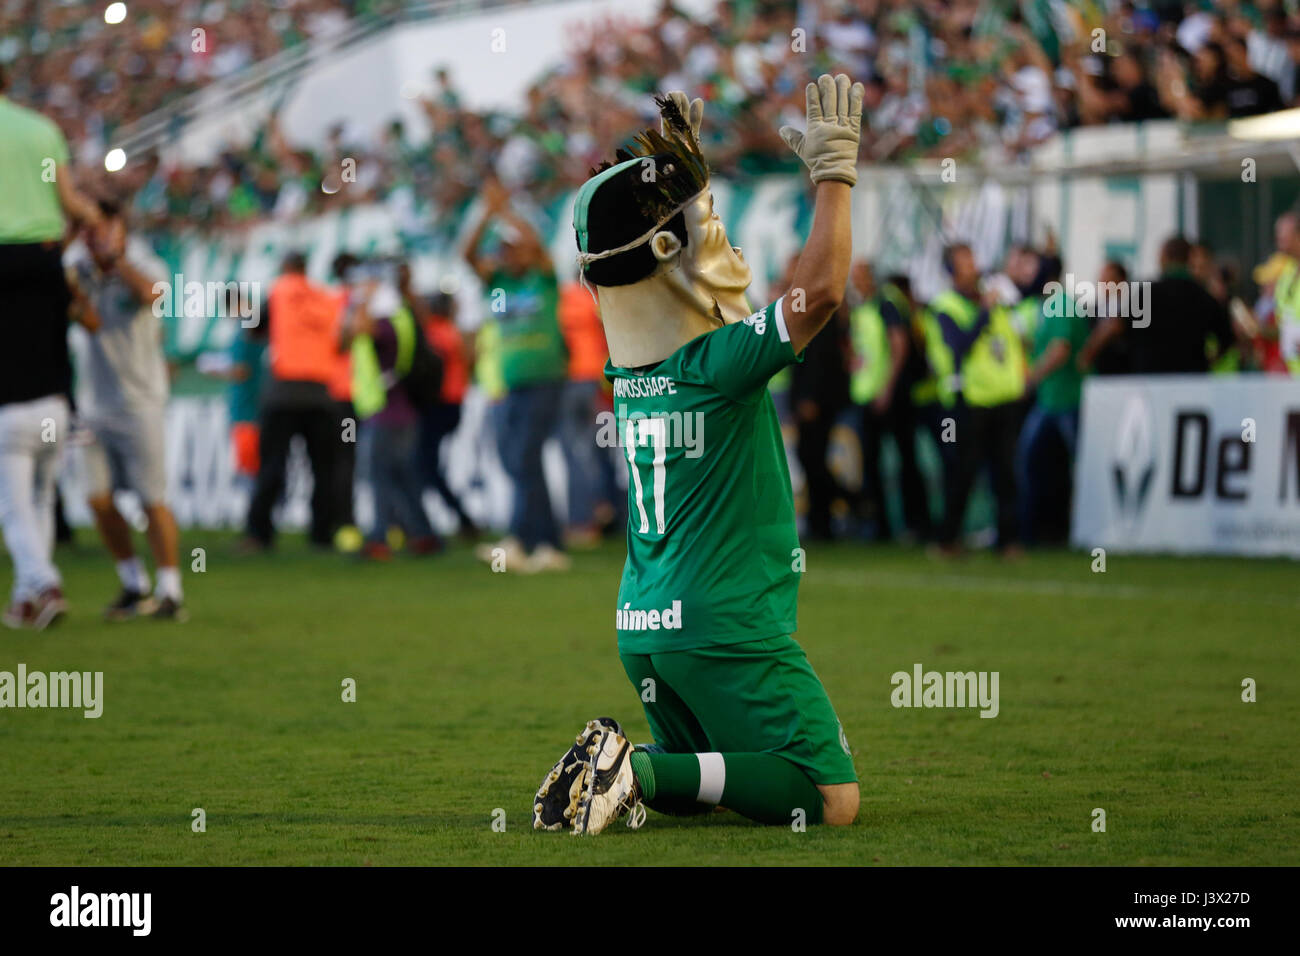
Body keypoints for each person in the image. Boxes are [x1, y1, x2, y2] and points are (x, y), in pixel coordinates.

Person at [533, 78, 864, 835]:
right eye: (707, 229)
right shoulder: (714, 368)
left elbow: (647, 274)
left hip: (644, 625)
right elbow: (818, 294)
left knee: (720, 779)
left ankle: (619, 771)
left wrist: (676, 171)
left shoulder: (629, 376)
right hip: (721, 626)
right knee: (826, 795)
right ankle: (637, 767)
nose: (725, 244)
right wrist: (835, 178)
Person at [0, 65, 103, 629]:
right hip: (43, 265)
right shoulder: (41, 129)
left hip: (9, 409)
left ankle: (43, 582)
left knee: (14, 506)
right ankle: (25, 598)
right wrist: (99, 223)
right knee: (38, 498)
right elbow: (69, 200)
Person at [68, 199, 186, 620]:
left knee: (152, 498)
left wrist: (116, 262)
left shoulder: (144, 263)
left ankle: (171, 590)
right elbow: (86, 321)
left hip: (141, 401)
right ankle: (134, 582)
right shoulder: (75, 267)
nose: (94, 236)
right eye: (89, 228)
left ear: (122, 230)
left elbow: (153, 295)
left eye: (103, 228)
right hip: (93, 403)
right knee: (96, 500)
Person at [463, 178, 569, 573]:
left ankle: (528, 539)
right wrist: (486, 215)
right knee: (516, 460)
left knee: (524, 456)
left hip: (545, 378)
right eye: (505, 250)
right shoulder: (499, 284)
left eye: (514, 248)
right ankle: (544, 542)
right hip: (509, 384)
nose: (509, 255)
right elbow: (467, 254)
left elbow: (536, 244)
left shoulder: (542, 277)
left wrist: (506, 212)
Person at [926, 242, 1026, 557]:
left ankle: (1008, 541)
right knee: (962, 472)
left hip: (1004, 398)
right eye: (964, 261)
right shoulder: (945, 306)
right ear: (951, 270)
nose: (973, 265)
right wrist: (985, 309)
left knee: (1006, 474)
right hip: (967, 401)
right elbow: (960, 345)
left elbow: (1016, 340)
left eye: (973, 258)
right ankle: (948, 539)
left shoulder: (996, 300)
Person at [242, 253, 343, 550]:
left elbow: (254, 328)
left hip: (283, 391)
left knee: (272, 465)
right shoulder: (326, 297)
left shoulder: (279, 290)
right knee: (324, 469)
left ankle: (259, 534)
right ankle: (322, 534)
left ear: (286, 268)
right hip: (323, 393)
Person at [343, 277, 441, 560]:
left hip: (386, 413)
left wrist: (360, 301)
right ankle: (423, 535)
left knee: (379, 477)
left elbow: (356, 330)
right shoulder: (401, 321)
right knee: (403, 477)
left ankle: (380, 538)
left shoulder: (385, 325)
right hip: (401, 411)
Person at [848, 262, 929, 542]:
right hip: (866, 394)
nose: (857, 282)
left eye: (861, 276)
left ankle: (917, 525)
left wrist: (888, 387)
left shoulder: (886, 303)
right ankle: (880, 527)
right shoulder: (862, 308)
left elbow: (899, 344)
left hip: (891, 396)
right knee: (871, 463)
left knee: (906, 459)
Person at [1079, 236, 1234, 376]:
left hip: (1149, 381)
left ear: (1163, 257)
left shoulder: (1145, 294)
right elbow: (1227, 340)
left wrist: (1087, 354)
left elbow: (1115, 326)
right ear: (1189, 259)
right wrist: (1208, 363)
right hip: (1190, 381)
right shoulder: (1204, 298)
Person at [1016, 276, 1091, 546]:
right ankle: (1040, 531)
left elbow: (1060, 350)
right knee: (1040, 465)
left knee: (1076, 467)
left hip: (1066, 399)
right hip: (1050, 400)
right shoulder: (1042, 308)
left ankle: (1083, 531)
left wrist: (1031, 379)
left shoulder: (1059, 304)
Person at [414, 289, 478, 539]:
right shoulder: (451, 332)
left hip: (439, 406)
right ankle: (460, 518)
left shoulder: (435, 333)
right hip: (451, 405)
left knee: (423, 466)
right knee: (425, 466)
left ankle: (452, 519)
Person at [556, 280, 615, 547]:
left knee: (575, 453)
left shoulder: (562, 298)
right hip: (597, 380)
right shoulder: (598, 299)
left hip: (568, 380)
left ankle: (583, 521)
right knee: (601, 448)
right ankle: (607, 510)